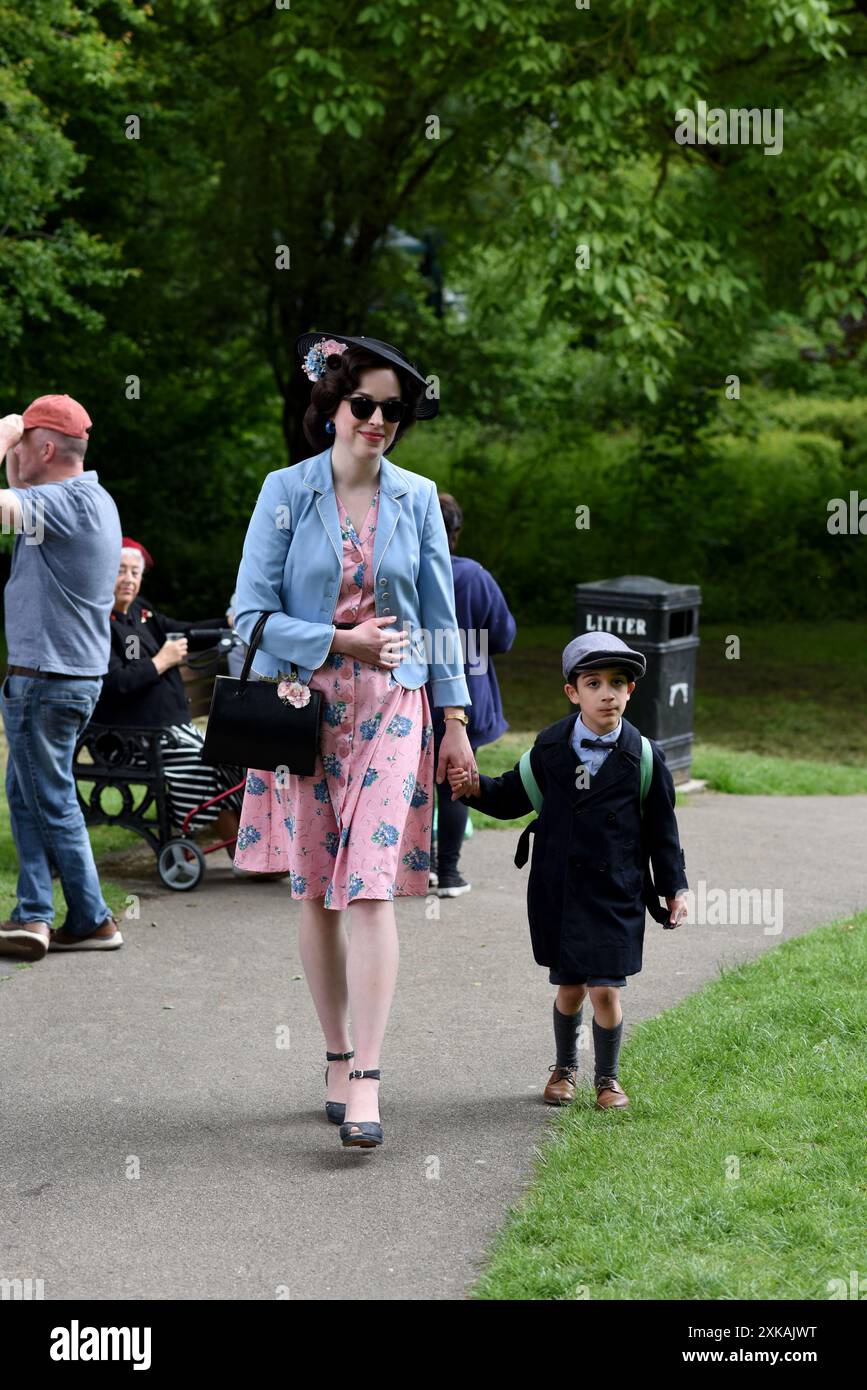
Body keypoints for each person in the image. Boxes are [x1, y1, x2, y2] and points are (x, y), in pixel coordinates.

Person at [232, 332, 475, 1149]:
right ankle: (334, 1055)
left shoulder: (418, 497)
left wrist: (455, 723)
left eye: (393, 411)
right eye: (363, 405)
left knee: (369, 887)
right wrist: (342, 642)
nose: (377, 421)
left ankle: (367, 1077)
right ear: (331, 408)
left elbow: (440, 624)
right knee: (314, 892)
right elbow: (247, 615)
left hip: (394, 708)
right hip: (301, 707)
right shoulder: (284, 492)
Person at [448, 632, 689, 1110]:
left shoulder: (643, 756)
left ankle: (608, 1078)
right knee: (571, 988)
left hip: (618, 889)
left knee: (605, 989)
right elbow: (511, 796)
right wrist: (473, 787)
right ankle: (564, 1068)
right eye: (594, 683)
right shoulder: (549, 749)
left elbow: (664, 830)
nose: (607, 693)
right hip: (561, 889)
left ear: (630, 692)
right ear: (572, 692)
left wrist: (674, 886)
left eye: (617, 683)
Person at [0, 396, 123, 961]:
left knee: (48, 798)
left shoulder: (66, 503)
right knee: (29, 794)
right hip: (63, 678)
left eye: (25, 446)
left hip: (46, 680)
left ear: (44, 449)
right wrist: (14, 451)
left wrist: (2, 436)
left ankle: (84, 917)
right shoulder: (82, 499)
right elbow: (17, 494)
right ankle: (41, 916)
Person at [91, 538, 247, 856]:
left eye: (135, 572)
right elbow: (116, 682)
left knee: (233, 759)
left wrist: (226, 625)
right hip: (134, 739)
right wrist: (161, 661)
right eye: (121, 571)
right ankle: (239, 855)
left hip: (171, 731)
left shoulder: (139, 613)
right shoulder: (97, 623)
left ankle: (247, 849)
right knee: (206, 766)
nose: (129, 579)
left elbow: (184, 631)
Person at [427, 491, 516, 897]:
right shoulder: (473, 576)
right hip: (466, 696)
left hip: (414, 695)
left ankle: (416, 866)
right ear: (456, 532)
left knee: (411, 783)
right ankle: (448, 873)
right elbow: (502, 635)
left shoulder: (407, 573)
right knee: (456, 781)